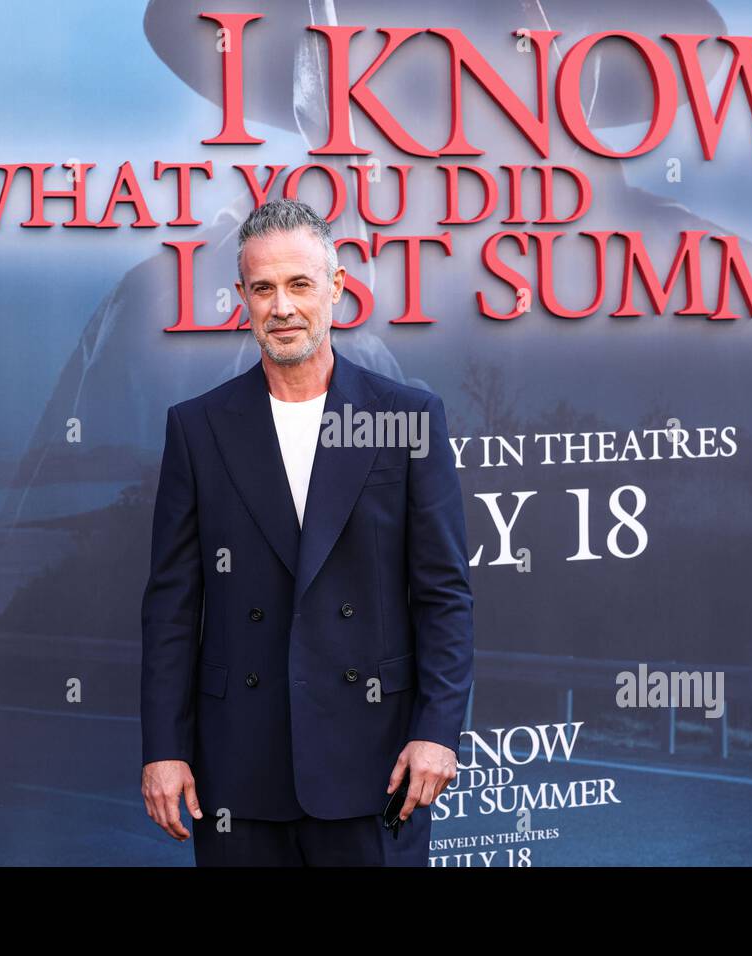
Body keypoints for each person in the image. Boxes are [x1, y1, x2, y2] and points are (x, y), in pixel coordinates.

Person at [140, 197, 476, 866]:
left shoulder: (407, 417)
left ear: (337, 287)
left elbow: (444, 595)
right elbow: (173, 607)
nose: (282, 306)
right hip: (238, 770)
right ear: (241, 297)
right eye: (263, 288)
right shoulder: (198, 427)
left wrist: (439, 732)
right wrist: (165, 749)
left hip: (377, 766)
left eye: (299, 284)